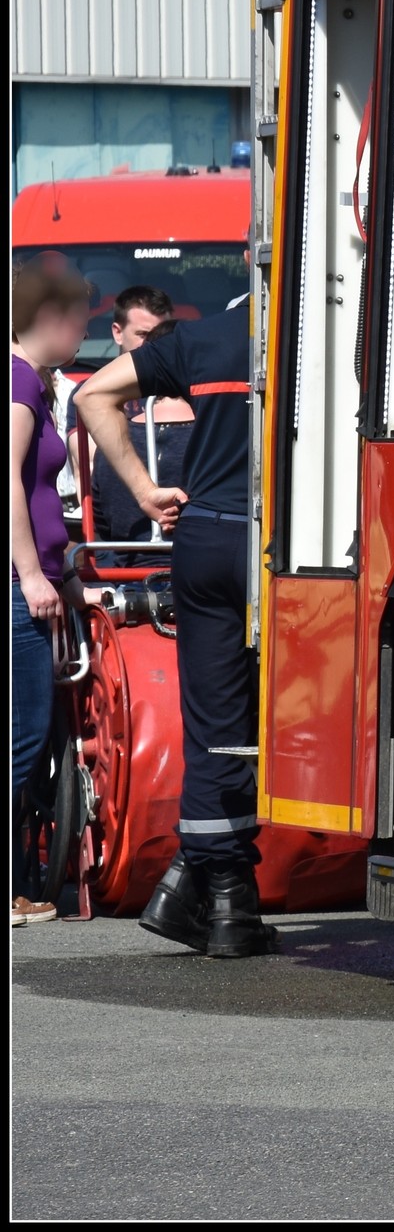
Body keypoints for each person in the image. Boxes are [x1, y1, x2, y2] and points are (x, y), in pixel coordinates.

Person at [75, 300, 275, 958]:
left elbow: (92, 394)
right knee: (272, 724)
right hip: (290, 545)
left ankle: (221, 896)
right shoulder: (337, 331)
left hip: (207, 536)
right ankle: (212, 889)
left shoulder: (206, 337)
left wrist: (144, 491)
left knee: (216, 727)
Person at [11, 264, 91, 927]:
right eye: (77, 317)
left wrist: (60, 572)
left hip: (30, 580)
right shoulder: (17, 381)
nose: (84, 330)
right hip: (17, 587)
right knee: (24, 735)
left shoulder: (33, 384)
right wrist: (32, 574)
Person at [92, 287, 191, 542]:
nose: (152, 349)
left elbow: (100, 511)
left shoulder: (110, 429)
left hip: (121, 554)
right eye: (142, 335)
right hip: (186, 556)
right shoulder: (92, 397)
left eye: (157, 338)